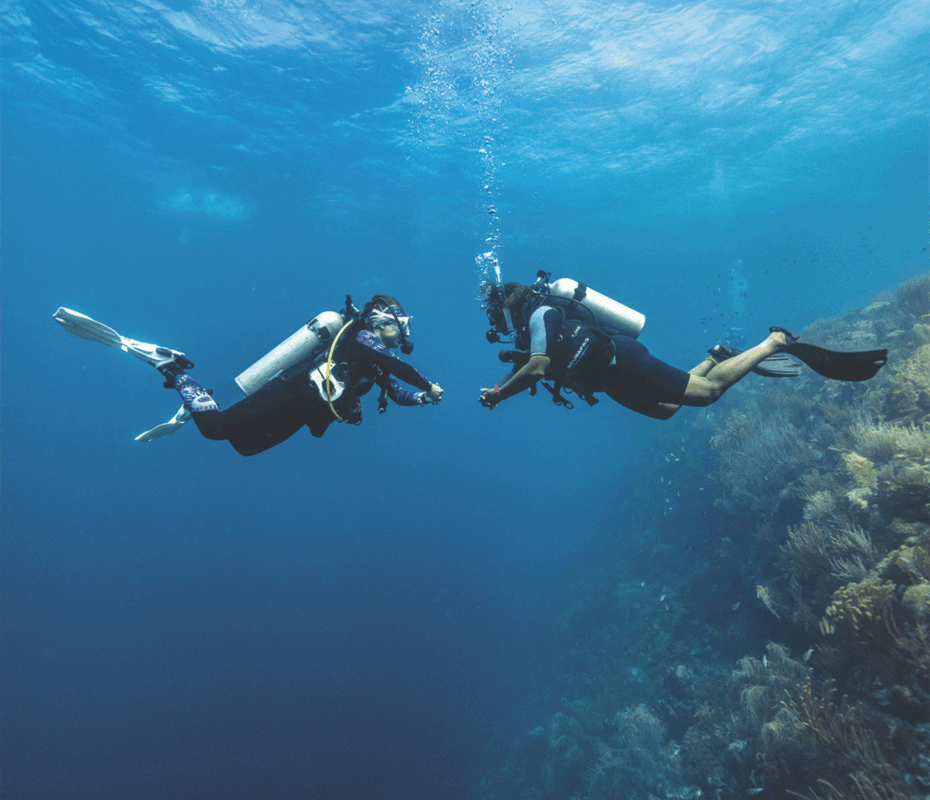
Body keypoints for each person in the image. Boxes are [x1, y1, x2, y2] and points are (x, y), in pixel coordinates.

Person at [55, 295, 443, 455]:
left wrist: (422, 398)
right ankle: (171, 368)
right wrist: (427, 383)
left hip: (309, 412)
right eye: (401, 320)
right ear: (381, 318)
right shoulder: (361, 335)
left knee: (244, 447)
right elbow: (399, 368)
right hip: (291, 394)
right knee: (216, 428)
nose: (404, 329)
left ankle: (199, 395)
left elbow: (395, 391)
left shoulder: (376, 360)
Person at [478, 281, 886, 419]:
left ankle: (774, 341)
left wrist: (498, 393)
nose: (499, 325)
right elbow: (540, 367)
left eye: (497, 315)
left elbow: (537, 368)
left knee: (704, 395)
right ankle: (716, 355)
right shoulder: (530, 331)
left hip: (622, 360)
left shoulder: (540, 313)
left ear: (509, 304)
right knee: (667, 409)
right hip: (608, 381)